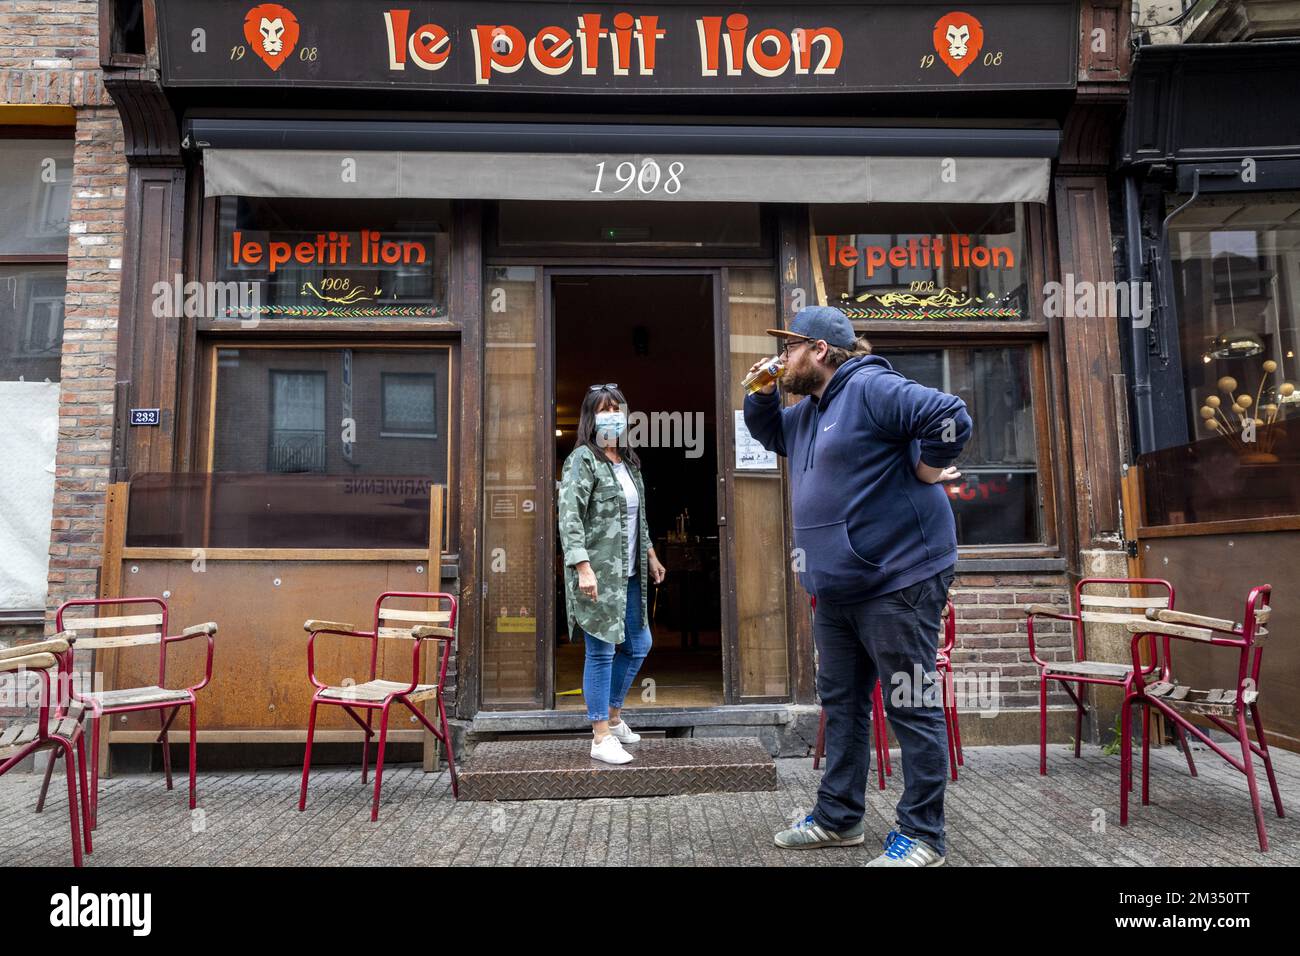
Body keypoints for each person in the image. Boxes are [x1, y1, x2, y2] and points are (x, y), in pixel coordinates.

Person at [743, 305, 971, 867]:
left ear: (820, 349)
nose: (782, 356)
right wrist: (761, 393)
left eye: (789, 346)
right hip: (837, 586)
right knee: (842, 704)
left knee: (909, 703)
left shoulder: (870, 386)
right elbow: (770, 433)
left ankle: (923, 835)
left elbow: (951, 416)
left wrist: (928, 468)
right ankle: (838, 818)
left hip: (898, 577)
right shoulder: (807, 411)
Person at [558, 384, 668, 764]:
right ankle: (600, 735)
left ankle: (614, 717)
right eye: (603, 410)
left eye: (617, 409)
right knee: (602, 650)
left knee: (638, 645)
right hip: (598, 574)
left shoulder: (629, 463)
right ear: (591, 418)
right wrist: (582, 567)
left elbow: (639, 519)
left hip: (631, 573)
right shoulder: (582, 461)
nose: (611, 416)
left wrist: (650, 555)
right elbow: (569, 518)